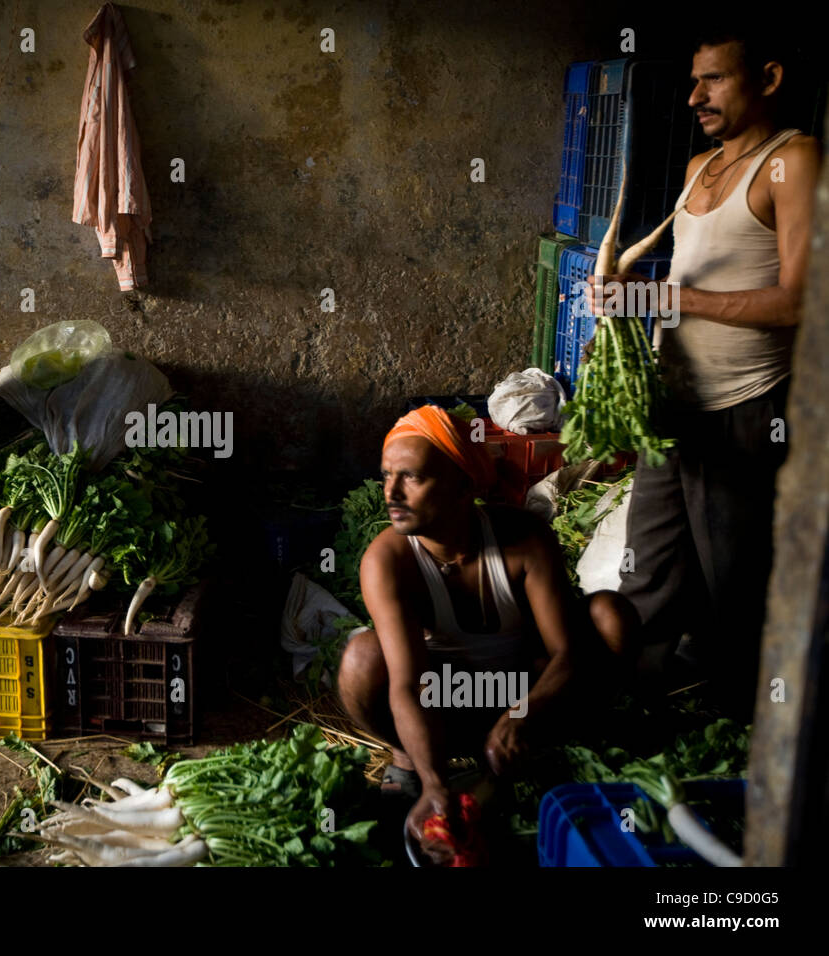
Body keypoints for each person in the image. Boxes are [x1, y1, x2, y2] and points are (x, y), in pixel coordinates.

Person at [591, 28, 820, 720]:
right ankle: (641, 712)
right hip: (673, 407)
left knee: (734, 585)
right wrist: (629, 291)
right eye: (694, 81)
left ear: (770, 78)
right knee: (648, 572)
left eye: (714, 79)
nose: (695, 96)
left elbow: (799, 299)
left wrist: (670, 298)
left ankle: (743, 733)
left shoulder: (794, 161)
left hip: (745, 410)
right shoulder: (698, 168)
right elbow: (690, 277)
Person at [335, 406, 636, 859]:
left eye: (412, 477)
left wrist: (522, 715)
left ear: (463, 484)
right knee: (361, 658)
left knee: (611, 614)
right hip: (444, 706)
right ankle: (410, 759)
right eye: (386, 476)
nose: (391, 493)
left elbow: (566, 654)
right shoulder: (387, 561)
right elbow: (408, 684)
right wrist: (435, 787)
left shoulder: (525, 538)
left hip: (522, 699)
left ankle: (540, 755)